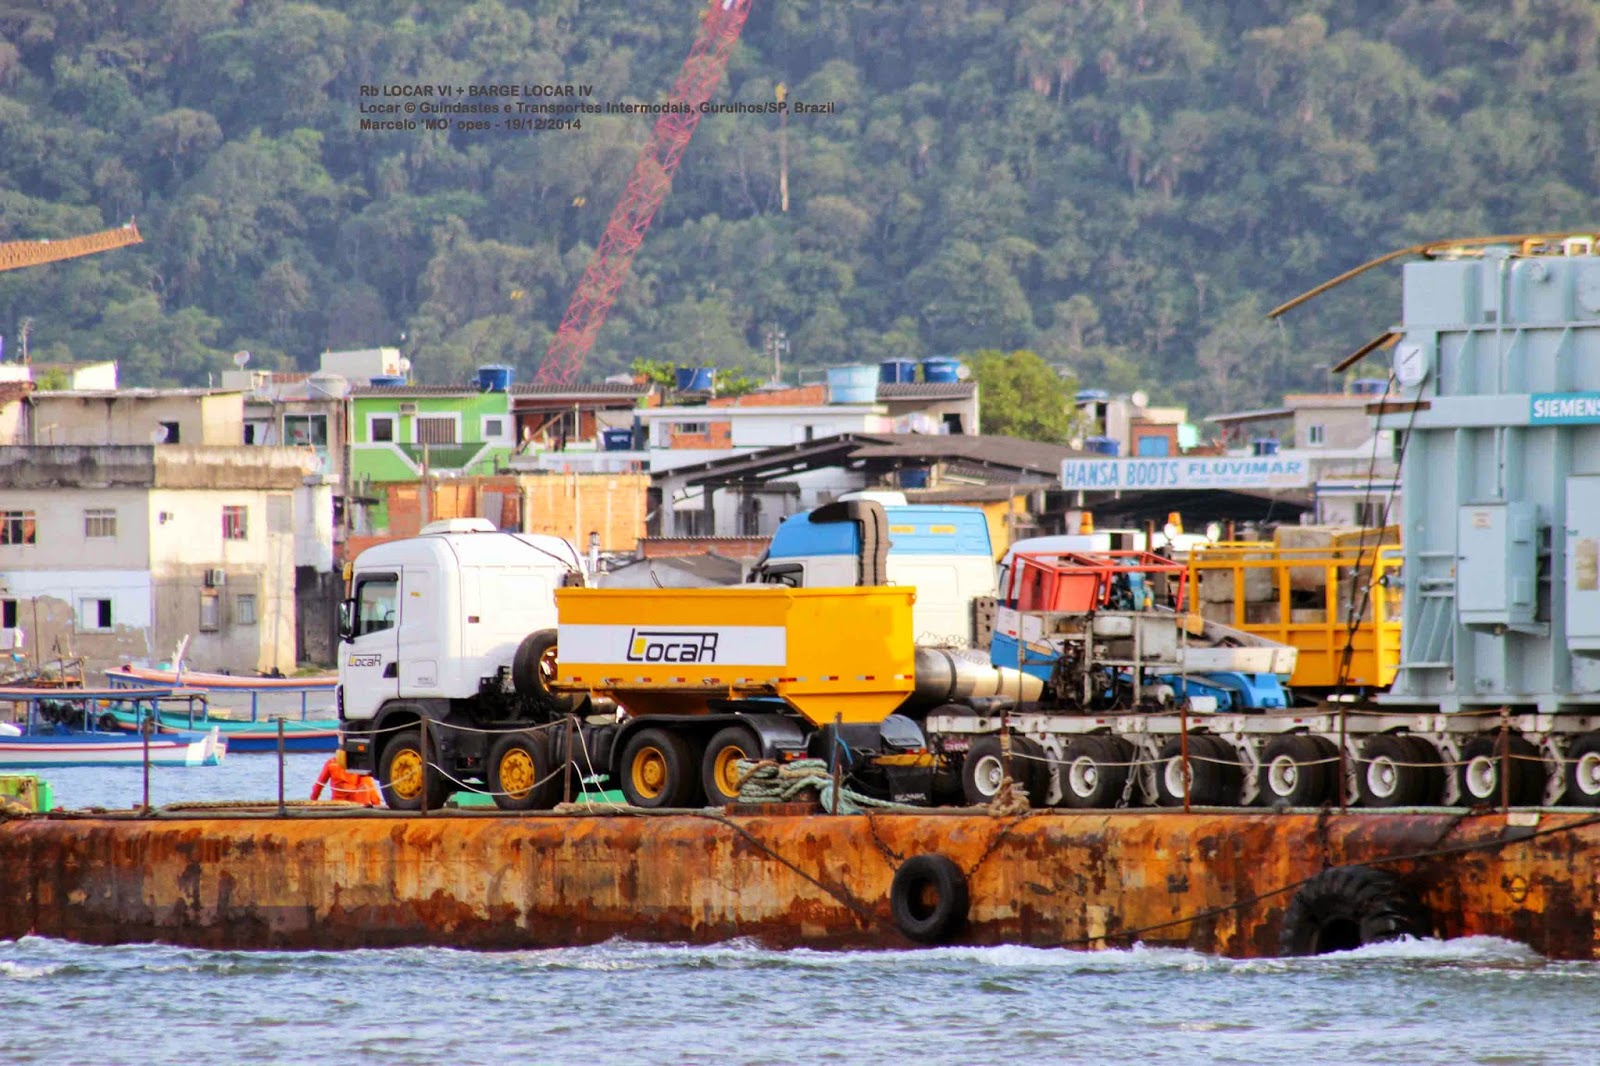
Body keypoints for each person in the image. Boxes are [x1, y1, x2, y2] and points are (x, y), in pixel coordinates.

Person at [310, 749, 384, 807]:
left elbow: (319, 785)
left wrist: (312, 801)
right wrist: (377, 804)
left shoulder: (331, 763)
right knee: (364, 787)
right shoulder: (358, 764)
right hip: (354, 804)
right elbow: (369, 786)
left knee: (364, 786)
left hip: (338, 804)